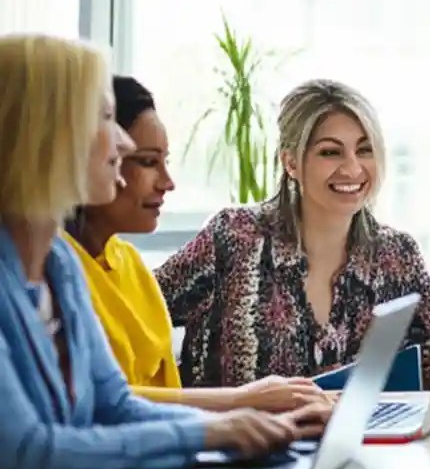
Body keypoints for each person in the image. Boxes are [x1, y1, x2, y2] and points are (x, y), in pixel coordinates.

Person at [0, 35, 325, 469]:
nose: (122, 141)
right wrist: (207, 431)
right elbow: (23, 456)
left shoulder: (58, 265)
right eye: (105, 118)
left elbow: (115, 405)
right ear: (45, 133)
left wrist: (239, 423)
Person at [156, 79, 430, 389]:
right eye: (330, 152)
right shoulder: (234, 238)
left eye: (364, 150)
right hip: (239, 435)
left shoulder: (396, 254)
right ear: (291, 162)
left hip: (361, 436)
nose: (352, 169)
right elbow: (129, 309)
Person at [64, 76, 325, 412]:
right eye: (146, 162)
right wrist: (242, 403)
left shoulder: (128, 265)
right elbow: (99, 404)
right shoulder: (51, 270)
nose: (168, 183)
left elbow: (167, 402)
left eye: (165, 161)